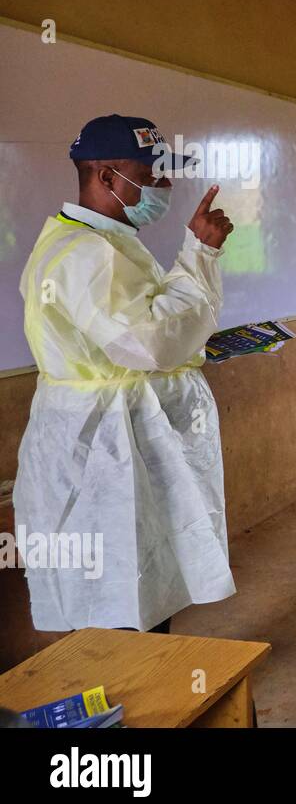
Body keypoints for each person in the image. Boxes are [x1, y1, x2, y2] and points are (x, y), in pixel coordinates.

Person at [14, 114, 236, 633]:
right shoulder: (83, 254)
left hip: (111, 446)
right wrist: (200, 253)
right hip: (100, 454)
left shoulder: (102, 242)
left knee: (134, 592)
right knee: (116, 604)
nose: (164, 183)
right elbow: (152, 341)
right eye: (151, 171)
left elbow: (139, 332)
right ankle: (125, 706)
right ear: (108, 176)